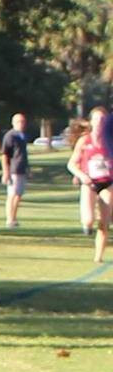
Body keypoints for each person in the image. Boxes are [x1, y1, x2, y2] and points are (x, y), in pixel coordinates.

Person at [65, 108, 109, 263]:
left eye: (103, 120)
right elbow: (71, 164)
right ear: (91, 122)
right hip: (89, 183)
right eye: (96, 119)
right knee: (88, 220)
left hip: (108, 182)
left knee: (105, 221)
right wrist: (81, 176)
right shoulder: (84, 141)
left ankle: (98, 257)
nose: (100, 123)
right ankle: (89, 222)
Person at [1, 113, 30, 228]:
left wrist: (28, 168)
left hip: (22, 169)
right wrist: (6, 172)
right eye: (19, 122)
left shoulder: (22, 136)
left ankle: (14, 217)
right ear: (13, 123)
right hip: (14, 169)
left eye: (23, 122)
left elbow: (23, 154)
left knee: (18, 195)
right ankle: (10, 219)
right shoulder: (10, 136)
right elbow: (5, 155)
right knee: (13, 195)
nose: (21, 124)